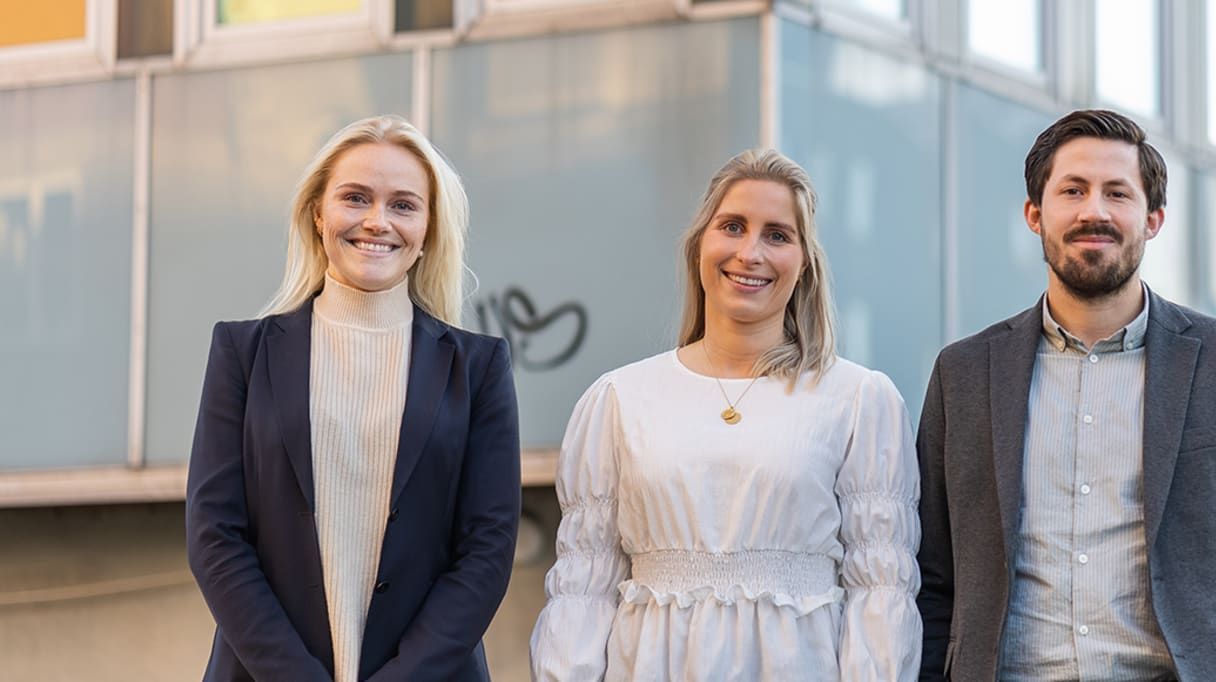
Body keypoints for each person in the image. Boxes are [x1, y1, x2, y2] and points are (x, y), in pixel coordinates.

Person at [915, 109, 1216, 681]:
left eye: (1117, 193)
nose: (1094, 211)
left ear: (1152, 219)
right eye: (1072, 190)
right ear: (1035, 214)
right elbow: (931, 577)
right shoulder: (964, 373)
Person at [529, 149, 921, 681]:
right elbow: (584, 586)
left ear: (804, 261)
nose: (750, 252)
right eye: (733, 226)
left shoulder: (858, 400)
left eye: (777, 235)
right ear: (699, 247)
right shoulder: (619, 398)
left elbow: (881, 588)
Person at [186, 115, 521, 682]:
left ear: (428, 229)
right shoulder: (242, 352)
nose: (377, 221)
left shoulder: (480, 367)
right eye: (356, 198)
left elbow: (486, 550)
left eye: (403, 205)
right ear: (318, 213)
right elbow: (214, 534)